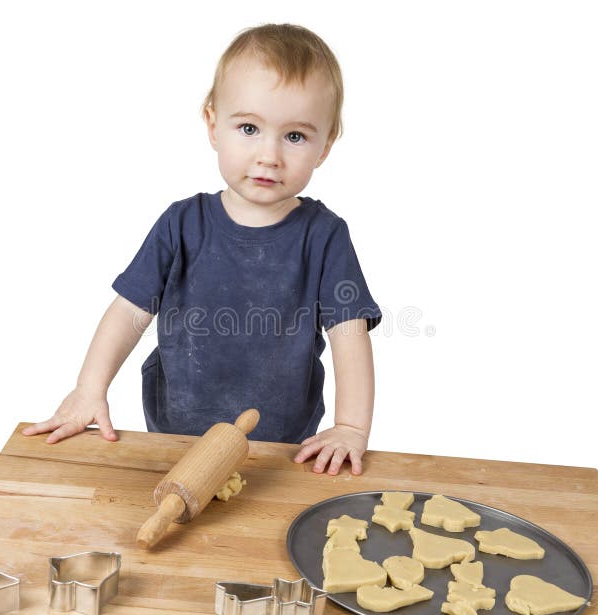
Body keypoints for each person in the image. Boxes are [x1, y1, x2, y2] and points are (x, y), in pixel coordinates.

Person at [23, 23, 381, 475]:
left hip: (281, 446)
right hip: (177, 432)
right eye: (249, 127)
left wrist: (350, 426)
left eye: (295, 136)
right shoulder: (181, 224)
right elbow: (128, 311)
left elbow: (349, 334)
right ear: (214, 125)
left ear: (325, 145)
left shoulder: (325, 236)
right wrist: (89, 388)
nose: (269, 155)